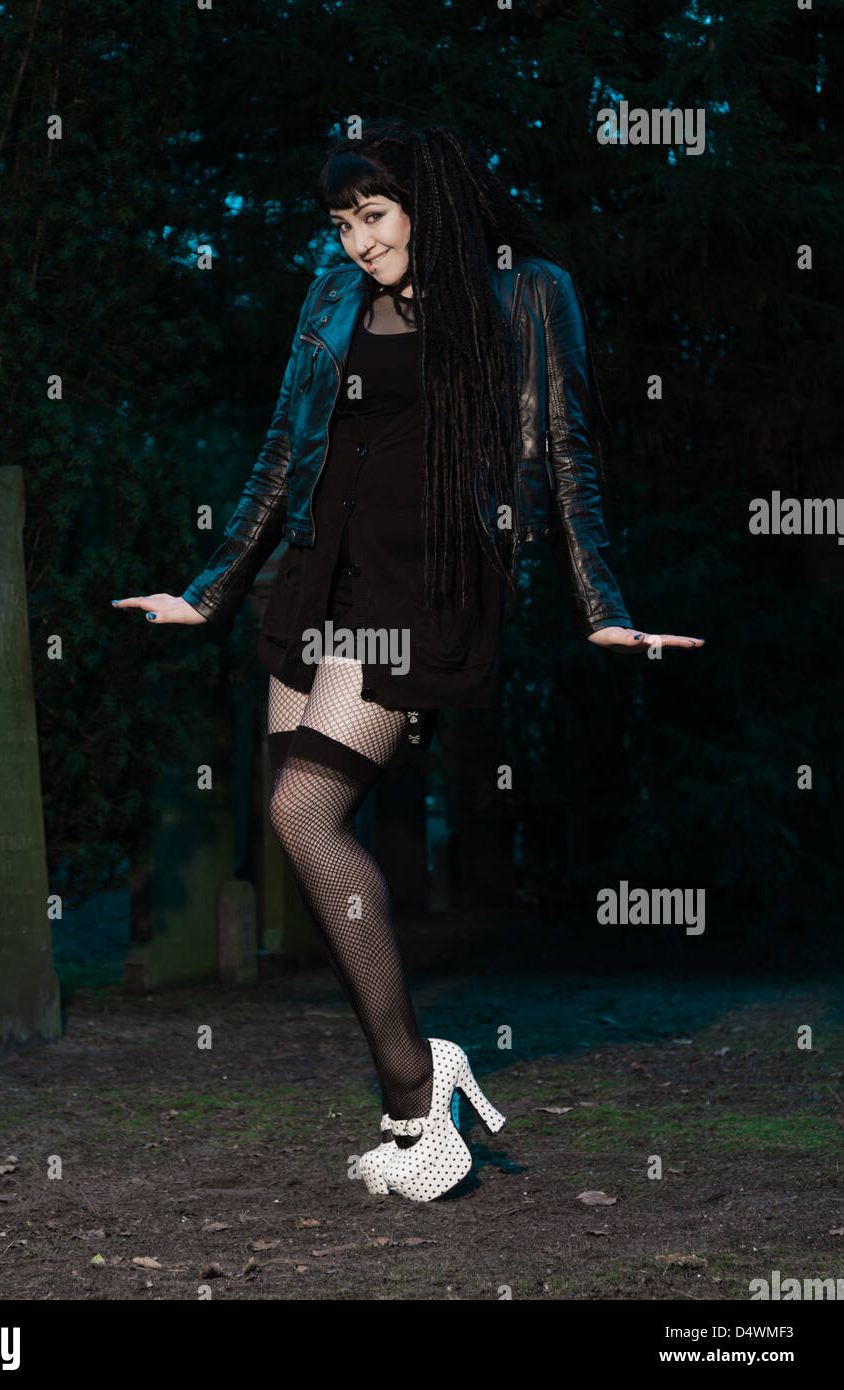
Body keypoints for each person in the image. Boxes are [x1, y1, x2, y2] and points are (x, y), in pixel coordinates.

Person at [113, 119, 704, 1203]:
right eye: (341, 223)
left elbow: (568, 449)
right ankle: (413, 1097)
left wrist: (601, 604)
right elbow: (283, 448)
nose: (354, 243)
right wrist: (209, 588)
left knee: (306, 812)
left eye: (373, 217)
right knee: (293, 823)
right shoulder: (335, 297)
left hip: (420, 586)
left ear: (428, 204)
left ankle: (414, 1091)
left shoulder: (529, 294)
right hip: (318, 569)